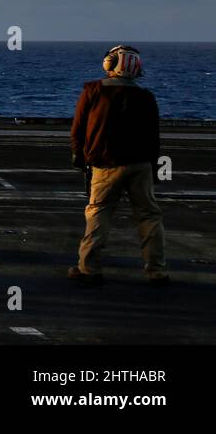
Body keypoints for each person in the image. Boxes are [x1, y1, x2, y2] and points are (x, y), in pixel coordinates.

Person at [69, 45, 168, 287]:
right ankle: (156, 270)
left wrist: (79, 157)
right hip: (140, 165)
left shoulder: (93, 91)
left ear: (109, 64)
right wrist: (153, 169)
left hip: (105, 165)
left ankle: (89, 268)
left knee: (98, 212)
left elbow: (78, 129)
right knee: (149, 216)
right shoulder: (146, 97)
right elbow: (154, 138)